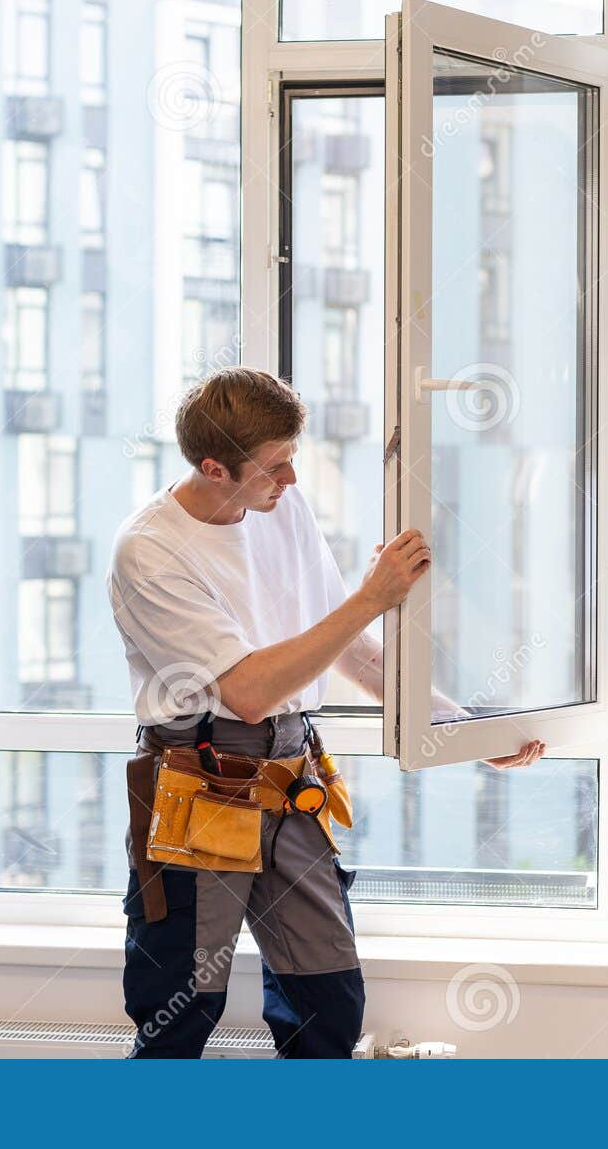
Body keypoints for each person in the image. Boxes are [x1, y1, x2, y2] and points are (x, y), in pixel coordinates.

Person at [106, 367, 545, 1058]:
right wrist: (372, 595)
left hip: (289, 777)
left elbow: (349, 651)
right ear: (215, 467)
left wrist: (457, 728)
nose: (292, 481)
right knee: (178, 1017)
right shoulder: (150, 551)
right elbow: (246, 690)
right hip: (200, 785)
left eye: (293, 459)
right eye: (275, 467)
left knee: (329, 1007)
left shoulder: (281, 510)